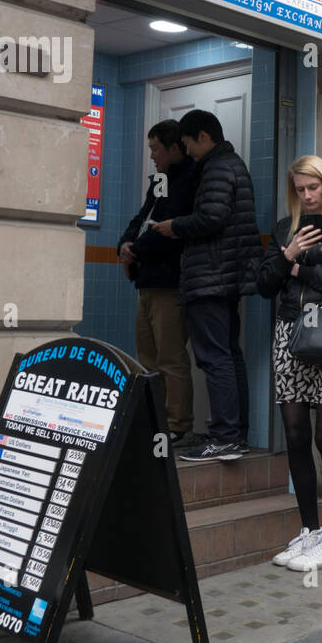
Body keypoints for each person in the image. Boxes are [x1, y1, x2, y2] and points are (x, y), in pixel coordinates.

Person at [257, 157, 322, 572]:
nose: (307, 195)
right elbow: (264, 284)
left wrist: (301, 266)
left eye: (313, 188)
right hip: (290, 335)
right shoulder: (286, 228)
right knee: (296, 435)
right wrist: (287, 253)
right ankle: (309, 532)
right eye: (300, 189)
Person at [153, 110, 263, 463]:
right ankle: (236, 436)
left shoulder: (217, 167)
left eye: (187, 143)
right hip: (226, 277)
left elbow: (212, 217)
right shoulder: (233, 164)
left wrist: (175, 226)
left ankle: (224, 437)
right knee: (228, 355)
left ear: (203, 136)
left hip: (211, 277)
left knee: (215, 358)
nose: (187, 151)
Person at [118, 120, 196, 444]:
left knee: (170, 358)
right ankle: (155, 422)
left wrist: (135, 250)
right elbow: (143, 218)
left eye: (155, 149)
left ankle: (178, 425)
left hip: (170, 281)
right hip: (147, 281)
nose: (151, 156)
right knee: (148, 358)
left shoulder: (190, 179)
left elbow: (167, 228)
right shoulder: (160, 181)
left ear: (174, 148)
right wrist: (123, 245)